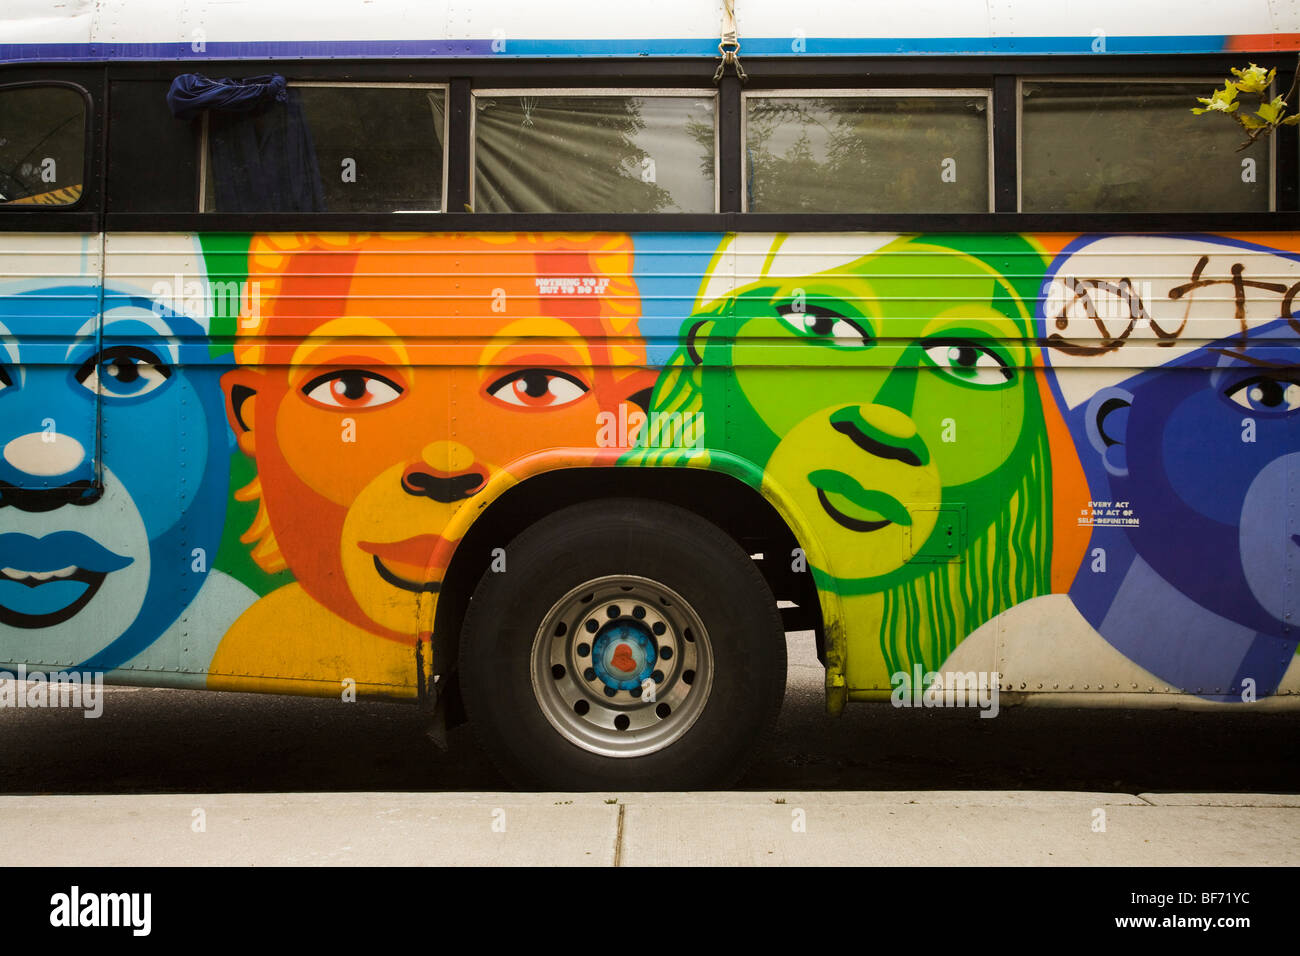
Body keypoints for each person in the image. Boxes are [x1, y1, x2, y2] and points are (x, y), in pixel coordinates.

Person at [210, 231, 656, 694]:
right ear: (251, 414)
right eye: (353, 387)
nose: (447, 465)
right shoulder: (238, 636)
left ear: (628, 413)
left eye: (537, 385)